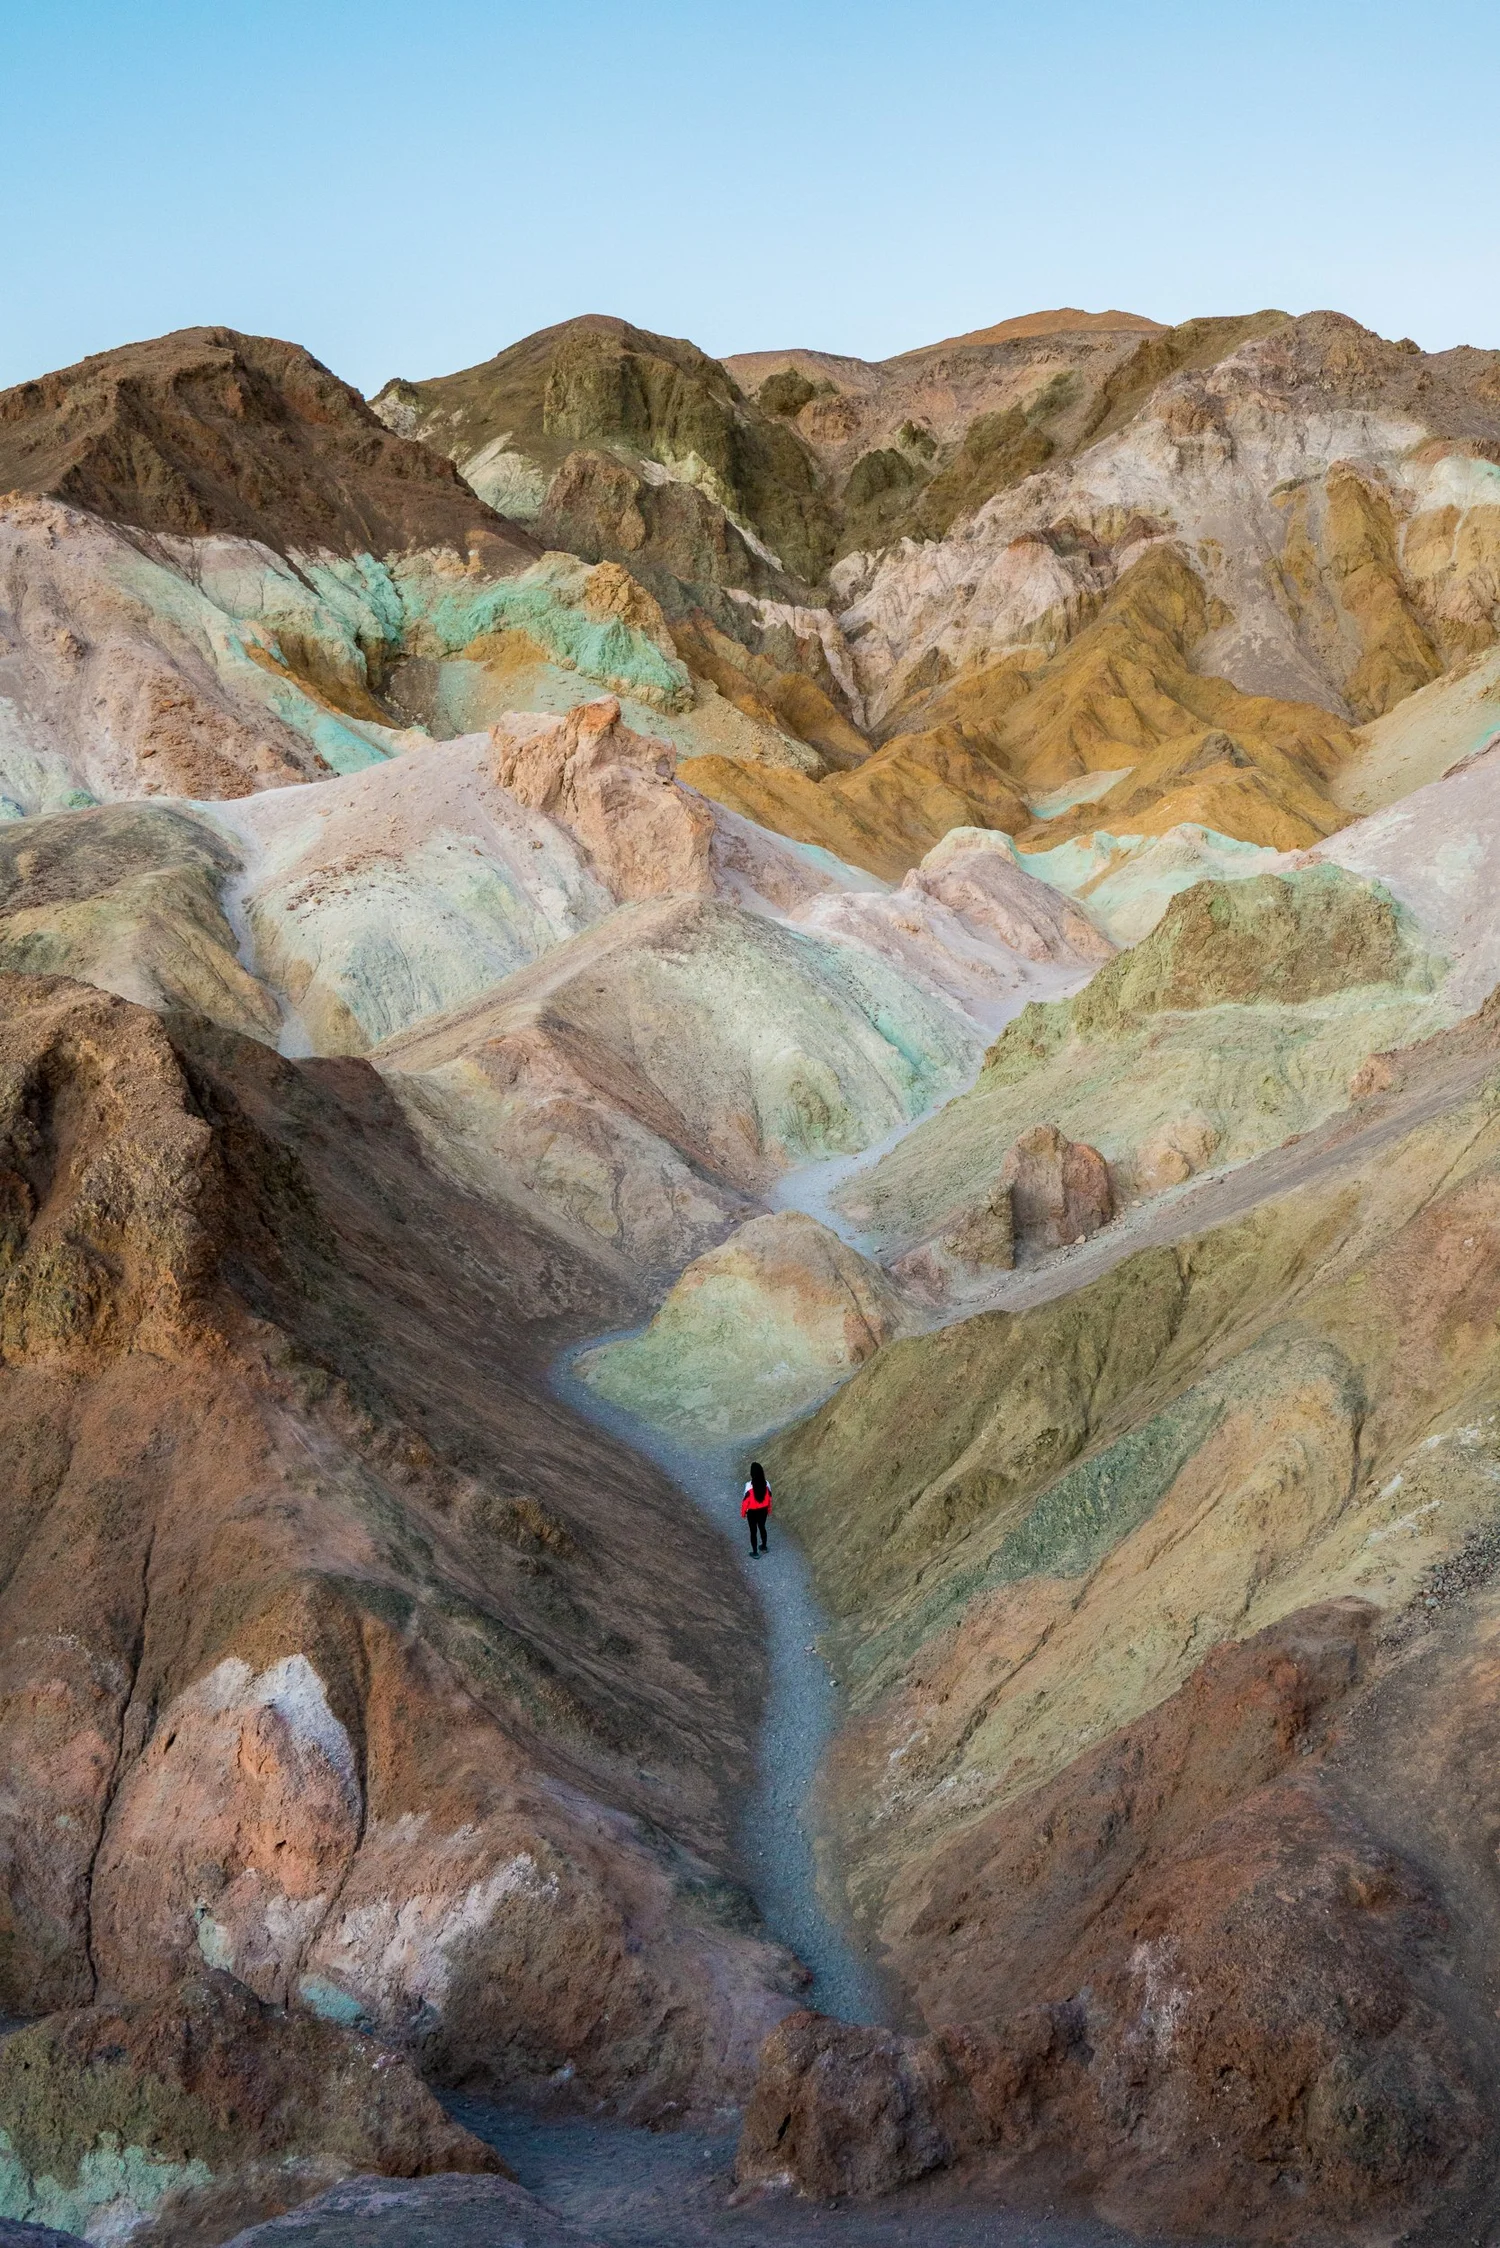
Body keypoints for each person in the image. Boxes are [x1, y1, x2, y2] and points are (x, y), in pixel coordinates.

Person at [741, 1461, 772, 1555]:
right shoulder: (766, 1484)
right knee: (762, 1527)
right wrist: (769, 1510)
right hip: (763, 1510)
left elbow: (745, 1501)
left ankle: (755, 1552)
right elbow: (769, 1497)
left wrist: (743, 1513)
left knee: (753, 1531)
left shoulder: (748, 1486)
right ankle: (764, 1546)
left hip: (752, 1512)